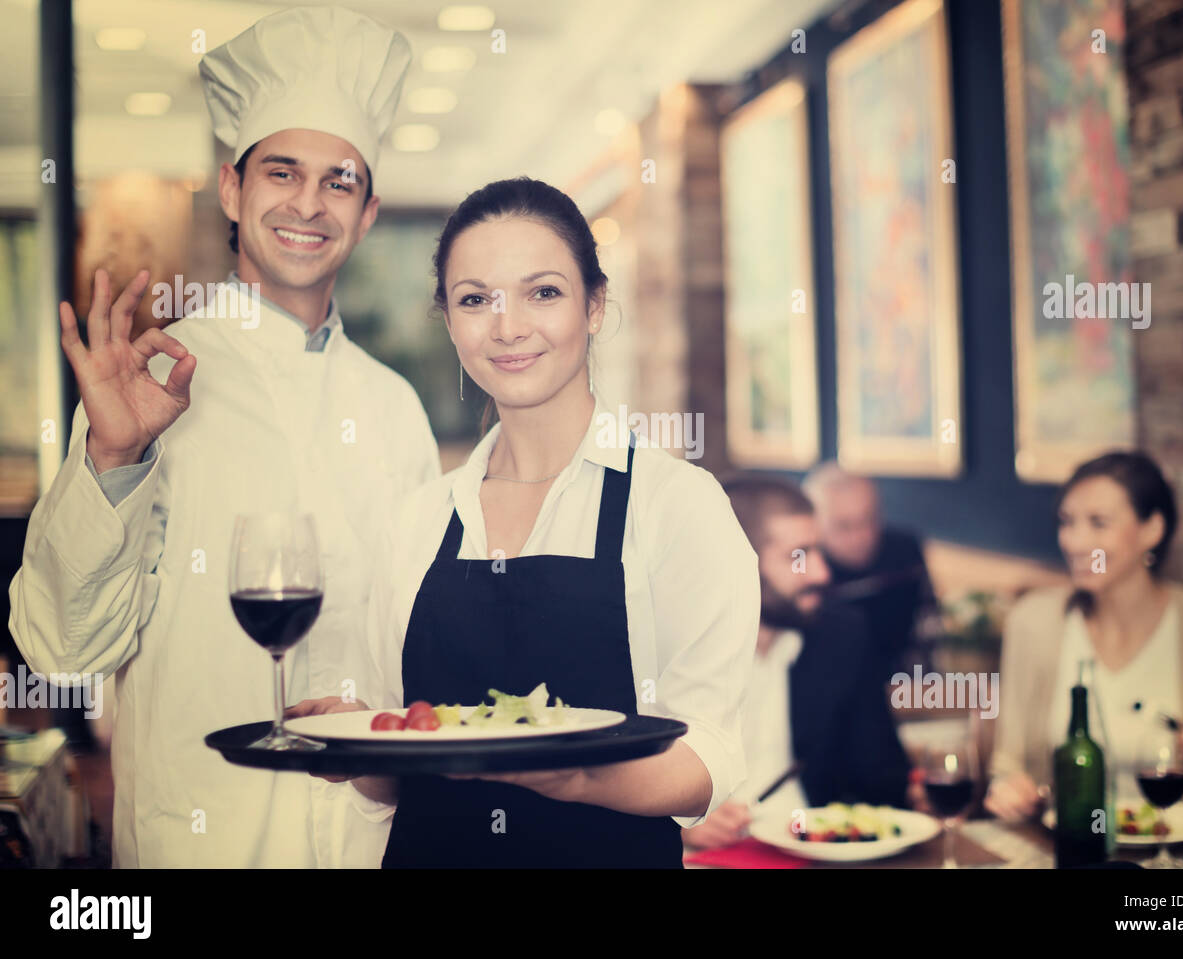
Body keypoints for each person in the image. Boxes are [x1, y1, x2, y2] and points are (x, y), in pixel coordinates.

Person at [8, 6, 439, 867]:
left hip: (368, 841)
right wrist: (113, 456)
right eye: (282, 171)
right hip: (202, 836)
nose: (309, 204)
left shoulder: (395, 408)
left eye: (340, 181)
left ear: (366, 212)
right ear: (233, 190)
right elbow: (61, 648)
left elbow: (421, 644)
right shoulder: (155, 382)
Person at [322, 176, 760, 868]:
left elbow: (709, 754)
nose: (508, 326)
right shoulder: (416, 521)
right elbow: (395, 773)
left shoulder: (677, 505)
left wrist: (579, 779)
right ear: (449, 320)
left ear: (594, 305)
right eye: (475, 300)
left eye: (543, 292)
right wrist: (352, 747)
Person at [985, 452, 1183, 822]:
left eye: (1098, 523)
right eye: (1067, 522)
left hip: (1178, 851)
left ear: (1152, 530)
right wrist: (1011, 792)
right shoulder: (1032, 622)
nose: (1075, 542)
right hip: (1072, 849)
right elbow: (1005, 768)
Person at [682, 475, 911, 849]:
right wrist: (677, 824)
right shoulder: (664, 648)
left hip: (813, 851)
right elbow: (604, 785)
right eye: (799, 557)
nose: (821, 572)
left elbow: (883, 778)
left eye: (818, 552)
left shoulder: (841, 634)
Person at [802, 463, 934, 673]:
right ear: (814, 525)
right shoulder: (803, 573)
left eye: (869, 519)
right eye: (844, 526)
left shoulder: (905, 551)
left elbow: (928, 626)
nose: (861, 537)